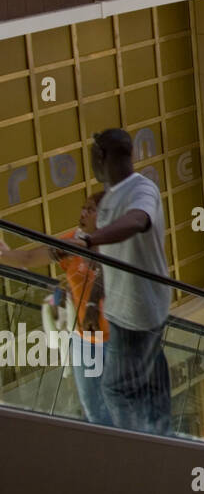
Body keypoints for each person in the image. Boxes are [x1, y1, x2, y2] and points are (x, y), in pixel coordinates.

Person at [77, 129, 171, 436]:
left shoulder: (141, 190)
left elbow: (136, 221)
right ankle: (163, 443)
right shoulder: (109, 197)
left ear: (102, 157)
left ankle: (141, 451)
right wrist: (93, 301)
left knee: (116, 390)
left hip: (134, 312)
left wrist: (92, 239)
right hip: (137, 308)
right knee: (148, 382)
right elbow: (111, 259)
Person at [0, 192, 110, 425]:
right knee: (94, 410)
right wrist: (4, 254)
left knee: (121, 407)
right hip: (87, 340)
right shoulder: (71, 243)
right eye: (83, 207)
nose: (82, 213)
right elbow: (29, 258)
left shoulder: (120, 245)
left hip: (118, 339)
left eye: (90, 209)